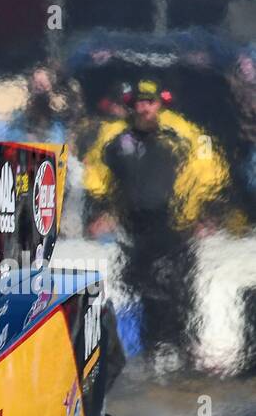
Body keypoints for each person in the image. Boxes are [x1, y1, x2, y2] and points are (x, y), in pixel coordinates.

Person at [84, 79, 230, 364]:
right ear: (131, 105)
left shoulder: (180, 134)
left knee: (180, 289)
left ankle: (186, 352)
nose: (144, 108)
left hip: (175, 227)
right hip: (135, 230)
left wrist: (205, 212)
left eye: (150, 102)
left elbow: (209, 172)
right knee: (143, 289)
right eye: (139, 102)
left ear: (160, 104)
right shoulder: (115, 138)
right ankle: (152, 352)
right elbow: (97, 176)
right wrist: (100, 211)